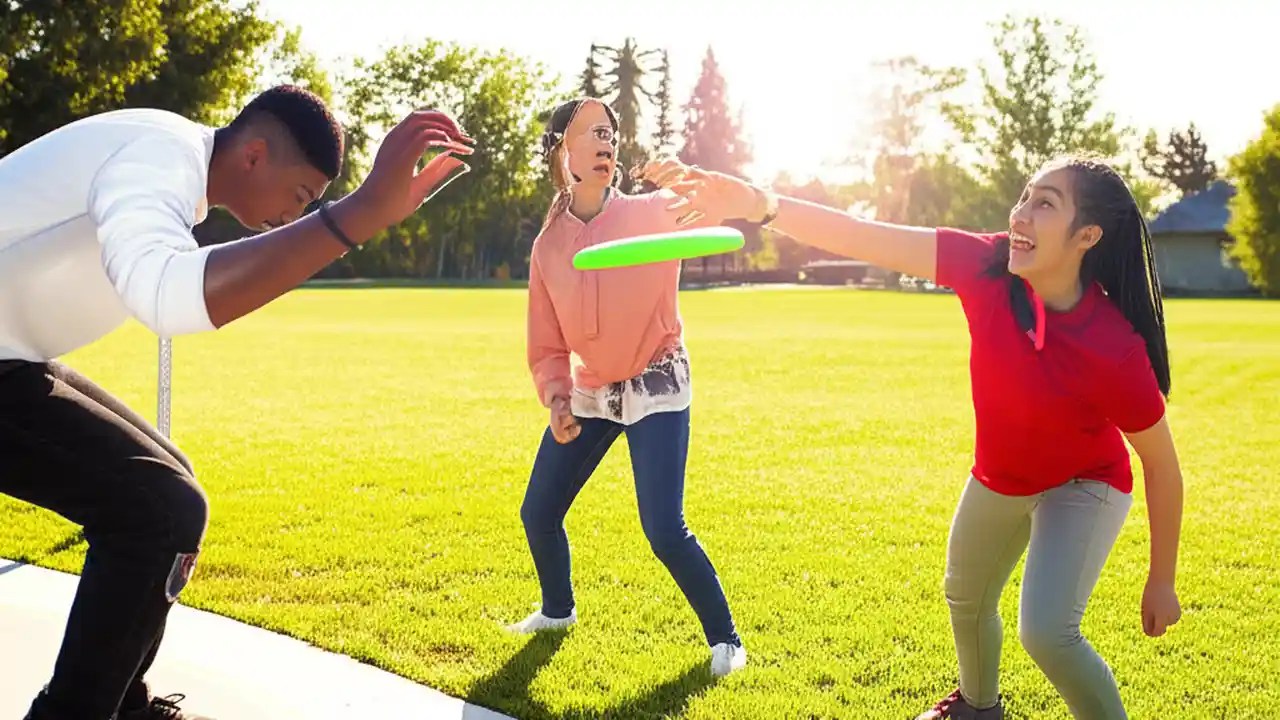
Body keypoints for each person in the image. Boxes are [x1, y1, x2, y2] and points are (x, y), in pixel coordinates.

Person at [638, 154, 1184, 718]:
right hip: (1004, 475)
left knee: (1047, 632)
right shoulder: (986, 265)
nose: (1020, 213)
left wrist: (1161, 580)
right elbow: (861, 235)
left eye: (1045, 204)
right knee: (966, 595)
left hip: (1083, 482)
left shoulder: (1113, 347)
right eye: (1024, 197)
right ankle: (977, 708)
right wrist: (758, 204)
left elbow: (1162, 466)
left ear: (1087, 235)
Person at [0, 85, 473, 720]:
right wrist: (357, 216)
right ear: (255, 155)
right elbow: (164, 295)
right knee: (162, 512)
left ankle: (123, 704)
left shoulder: (170, 154)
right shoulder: (156, 158)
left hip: (11, 357)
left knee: (171, 490)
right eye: (301, 197)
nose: (295, 214)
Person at [510, 97, 748, 677]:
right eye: (591, 133)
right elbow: (546, 344)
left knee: (664, 528)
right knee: (538, 513)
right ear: (560, 151)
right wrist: (558, 399)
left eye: (611, 133)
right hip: (593, 388)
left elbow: (718, 214)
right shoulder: (548, 247)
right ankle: (558, 611)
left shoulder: (653, 213)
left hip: (655, 377)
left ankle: (728, 642)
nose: (606, 143)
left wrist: (684, 184)